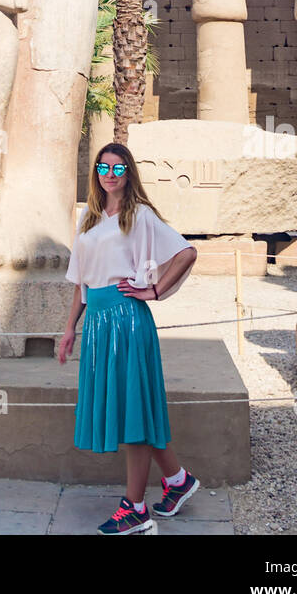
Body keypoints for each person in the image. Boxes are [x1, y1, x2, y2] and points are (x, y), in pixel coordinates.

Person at [59, 142, 199, 536]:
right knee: (132, 407)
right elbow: (81, 283)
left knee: (134, 412)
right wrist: (70, 329)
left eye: (118, 169)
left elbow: (186, 253)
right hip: (98, 323)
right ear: (96, 172)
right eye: (104, 167)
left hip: (127, 321)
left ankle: (135, 509)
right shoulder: (87, 217)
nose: (109, 174)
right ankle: (177, 481)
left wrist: (153, 291)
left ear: (129, 174)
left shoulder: (141, 216)